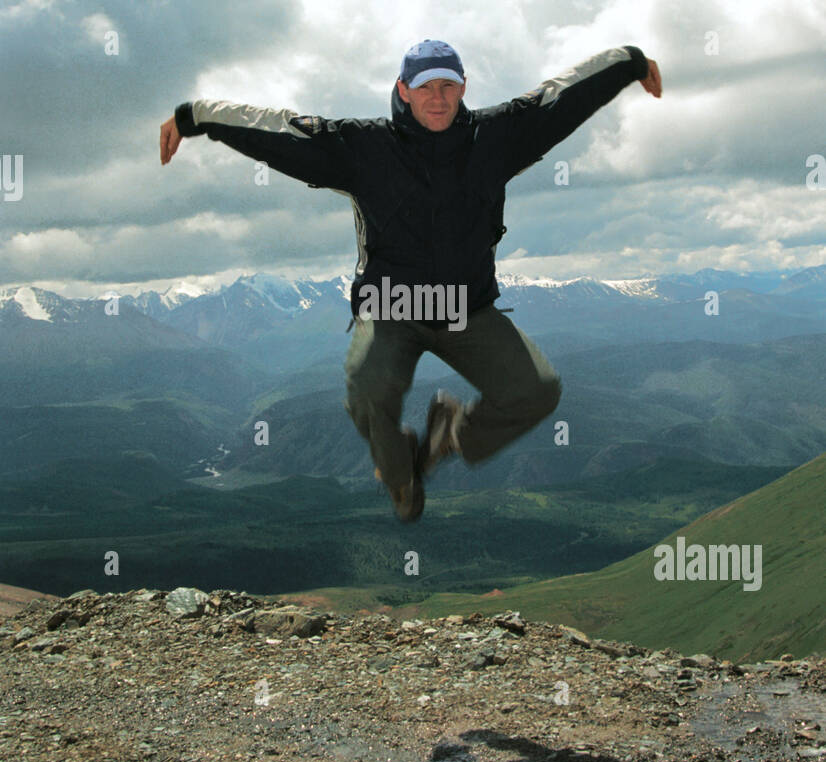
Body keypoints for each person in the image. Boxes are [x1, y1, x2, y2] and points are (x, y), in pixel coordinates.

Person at [161, 39, 662, 522]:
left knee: (538, 389)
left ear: (464, 87)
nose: (437, 97)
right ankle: (400, 474)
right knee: (368, 388)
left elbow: (562, 98)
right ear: (403, 90)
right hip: (392, 308)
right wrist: (194, 117)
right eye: (425, 87)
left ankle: (452, 437)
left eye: (447, 85)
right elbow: (279, 131)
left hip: (466, 308)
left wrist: (630, 63)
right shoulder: (361, 147)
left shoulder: (497, 138)